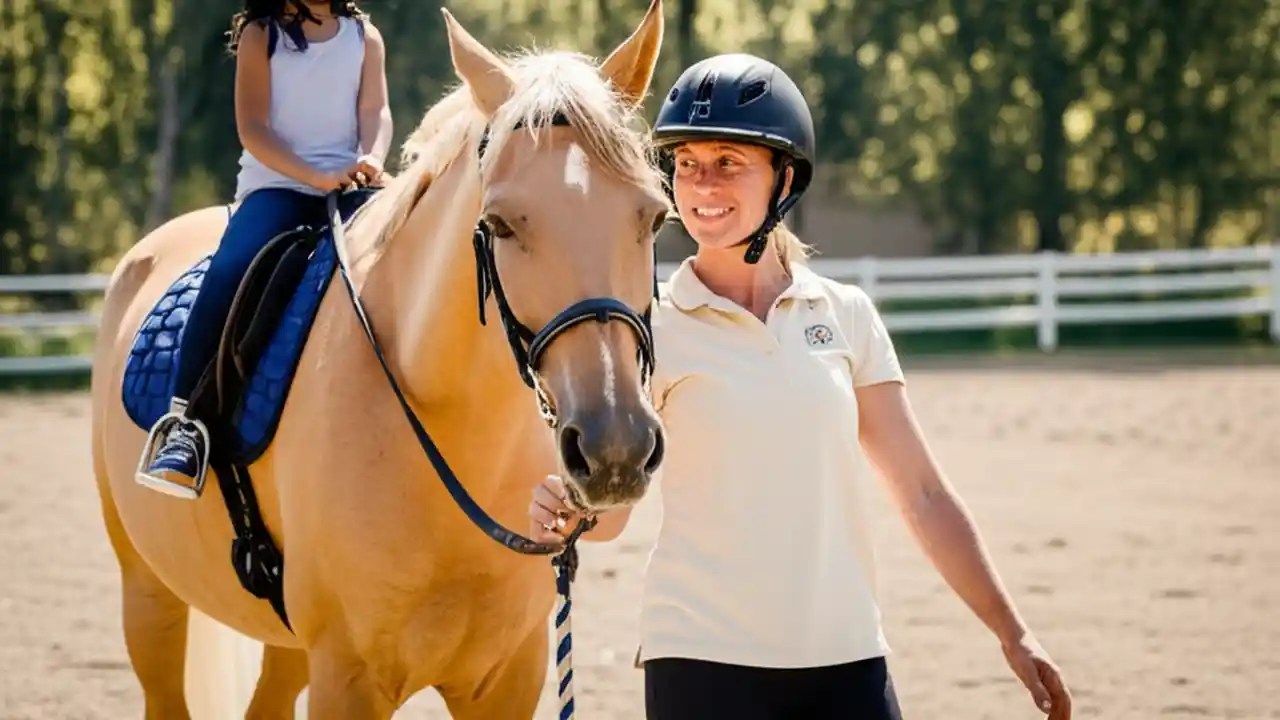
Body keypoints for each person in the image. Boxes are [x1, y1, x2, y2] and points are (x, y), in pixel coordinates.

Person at [528, 54, 1073, 719]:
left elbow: (924, 495)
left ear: (784, 177)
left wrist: (1012, 633)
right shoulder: (650, 328)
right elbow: (611, 517)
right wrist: (572, 507)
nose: (702, 183)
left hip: (847, 656)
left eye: (729, 162)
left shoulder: (845, 315)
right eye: (688, 163)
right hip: (700, 662)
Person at [137, 0, 392, 490]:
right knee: (230, 270)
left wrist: (371, 157)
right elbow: (254, 129)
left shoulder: (365, 37)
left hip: (349, 185)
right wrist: (316, 176)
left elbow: (374, 110)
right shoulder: (262, 35)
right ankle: (187, 422)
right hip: (278, 188)